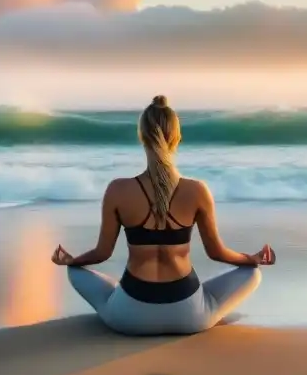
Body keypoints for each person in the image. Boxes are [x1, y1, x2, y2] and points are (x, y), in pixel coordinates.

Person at [52, 95, 275, 335]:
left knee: (76, 272)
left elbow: (102, 253)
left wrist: (72, 261)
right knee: (252, 274)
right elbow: (216, 253)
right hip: (189, 315)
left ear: (142, 136)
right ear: (176, 138)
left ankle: (118, 297)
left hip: (130, 318)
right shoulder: (197, 190)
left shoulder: (118, 190)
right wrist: (251, 259)